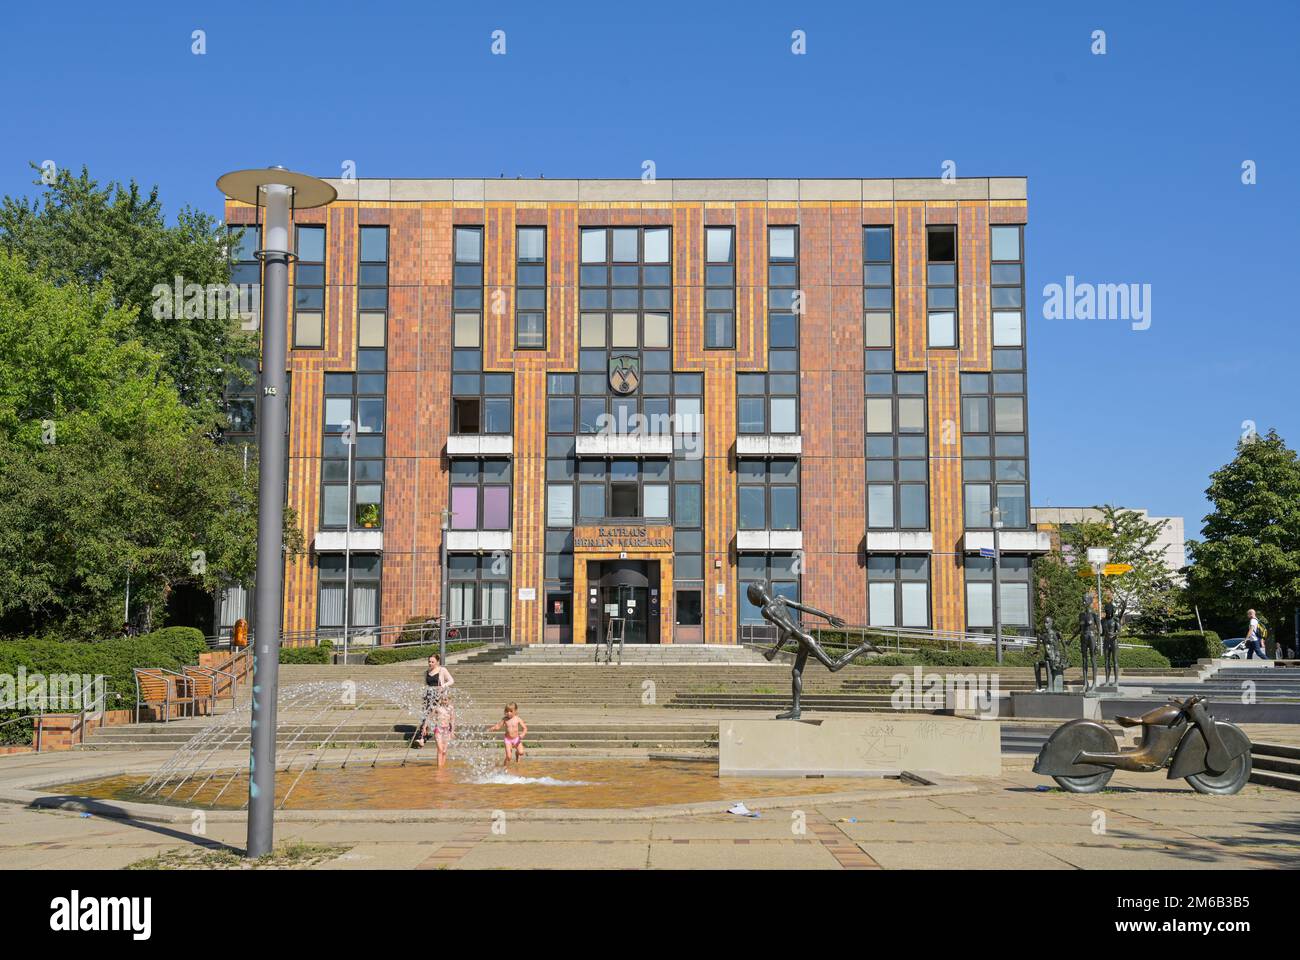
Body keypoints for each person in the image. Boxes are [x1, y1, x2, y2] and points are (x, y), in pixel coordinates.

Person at [750, 581, 879, 720]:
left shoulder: (767, 611)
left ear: (755, 598)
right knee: (796, 672)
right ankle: (796, 710)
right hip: (803, 640)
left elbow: (787, 630)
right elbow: (803, 607)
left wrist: (774, 651)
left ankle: (863, 647)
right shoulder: (780, 598)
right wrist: (826, 616)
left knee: (833, 666)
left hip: (804, 640)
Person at [413, 653, 454, 748]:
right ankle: (421, 738)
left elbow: (451, 680)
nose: (430, 663)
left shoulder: (442, 670)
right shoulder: (427, 672)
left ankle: (447, 734)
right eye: (429, 661)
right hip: (428, 696)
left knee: (442, 717)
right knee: (425, 716)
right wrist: (424, 696)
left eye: (432, 662)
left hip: (439, 697)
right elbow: (426, 685)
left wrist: (442, 687)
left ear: (437, 662)